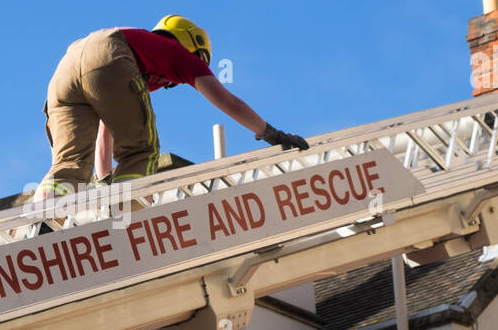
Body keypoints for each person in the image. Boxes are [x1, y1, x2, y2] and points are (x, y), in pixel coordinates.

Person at [35, 15, 310, 199]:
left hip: (66, 66)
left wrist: (103, 177)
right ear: (192, 45)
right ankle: (126, 217)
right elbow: (230, 103)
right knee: (141, 151)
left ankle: (42, 217)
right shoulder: (177, 54)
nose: (172, 83)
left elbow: (105, 127)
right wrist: (272, 134)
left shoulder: (144, 51)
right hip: (109, 54)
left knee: (69, 164)